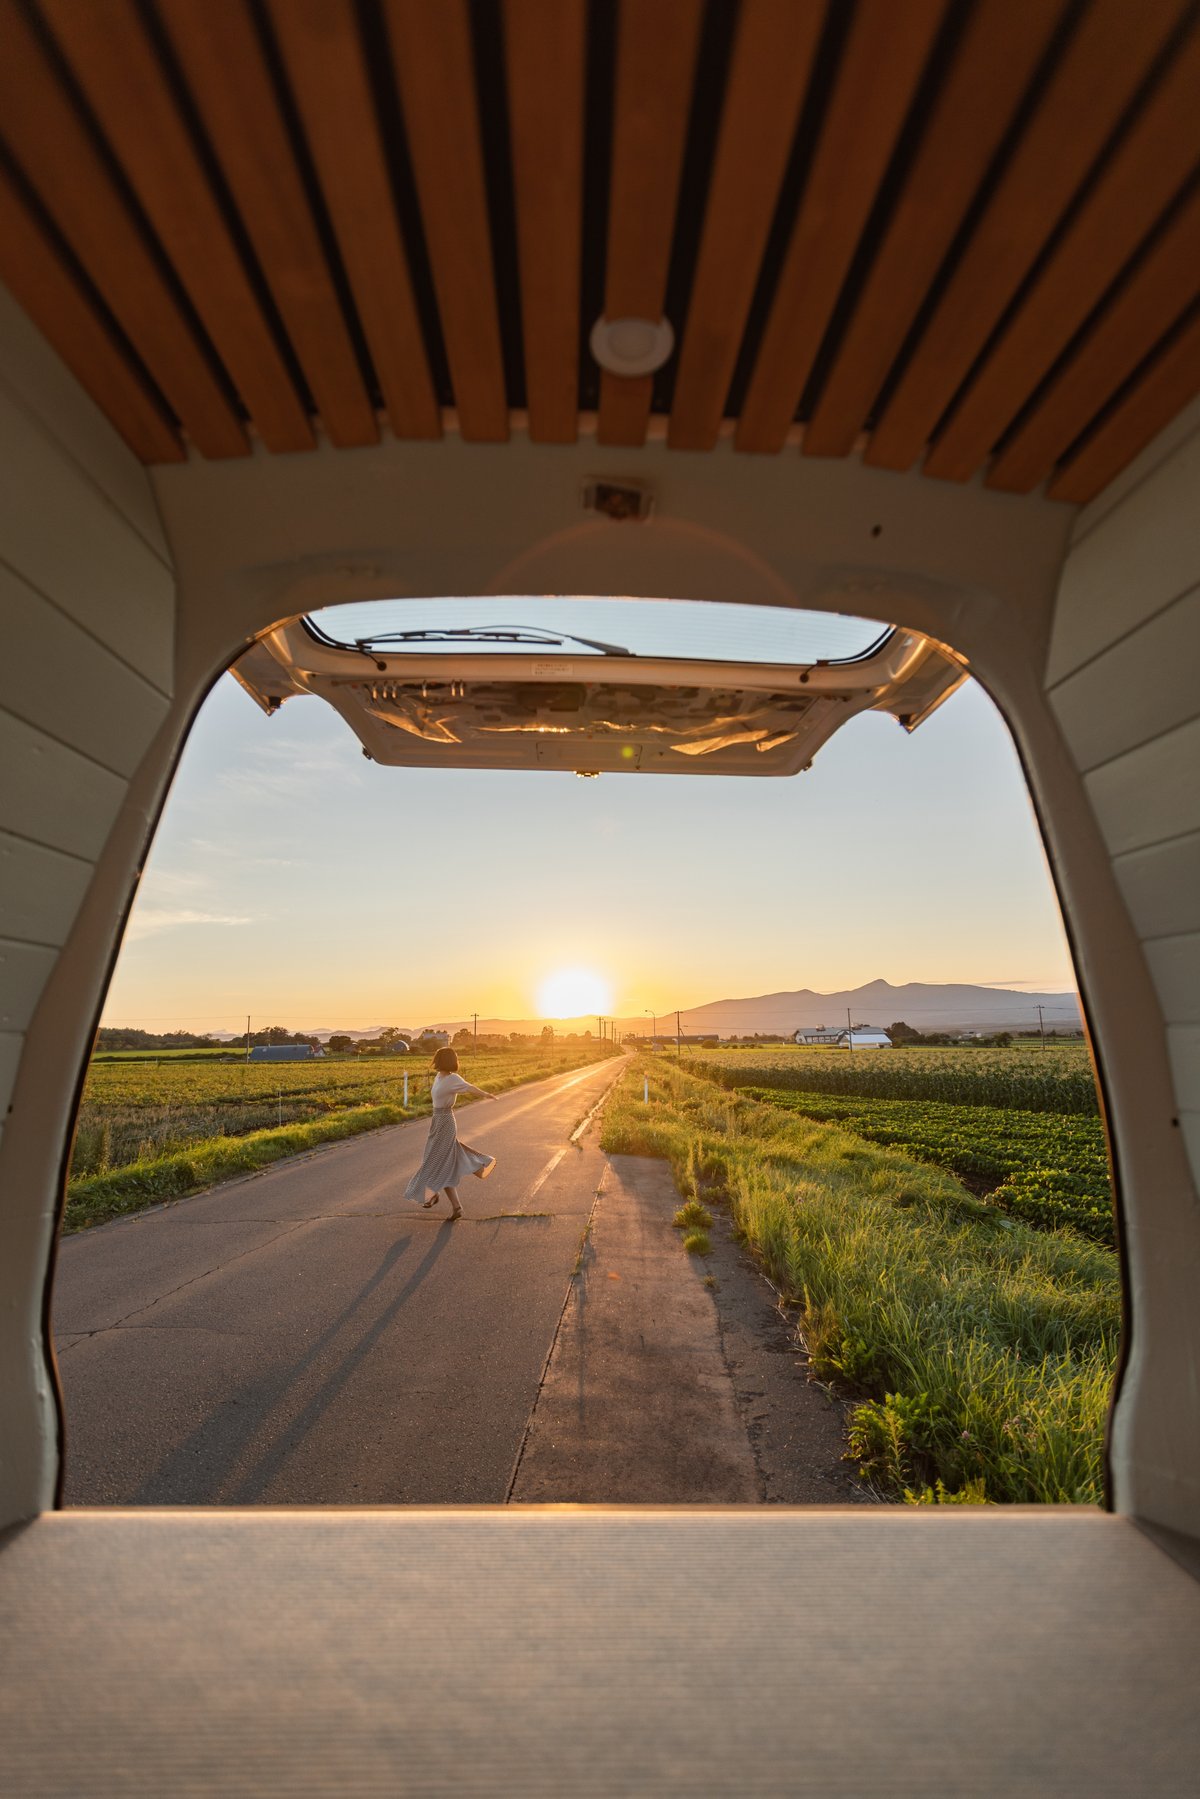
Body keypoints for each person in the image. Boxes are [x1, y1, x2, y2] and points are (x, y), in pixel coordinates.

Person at [404, 1046, 496, 1220]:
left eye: (437, 1058)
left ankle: (431, 1194)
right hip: (436, 1120)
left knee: (434, 1160)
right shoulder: (439, 1077)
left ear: (441, 1060)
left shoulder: (453, 1078)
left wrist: (486, 1094)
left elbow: (470, 1088)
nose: (434, 1061)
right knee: (444, 1163)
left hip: (445, 1121)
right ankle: (457, 1206)